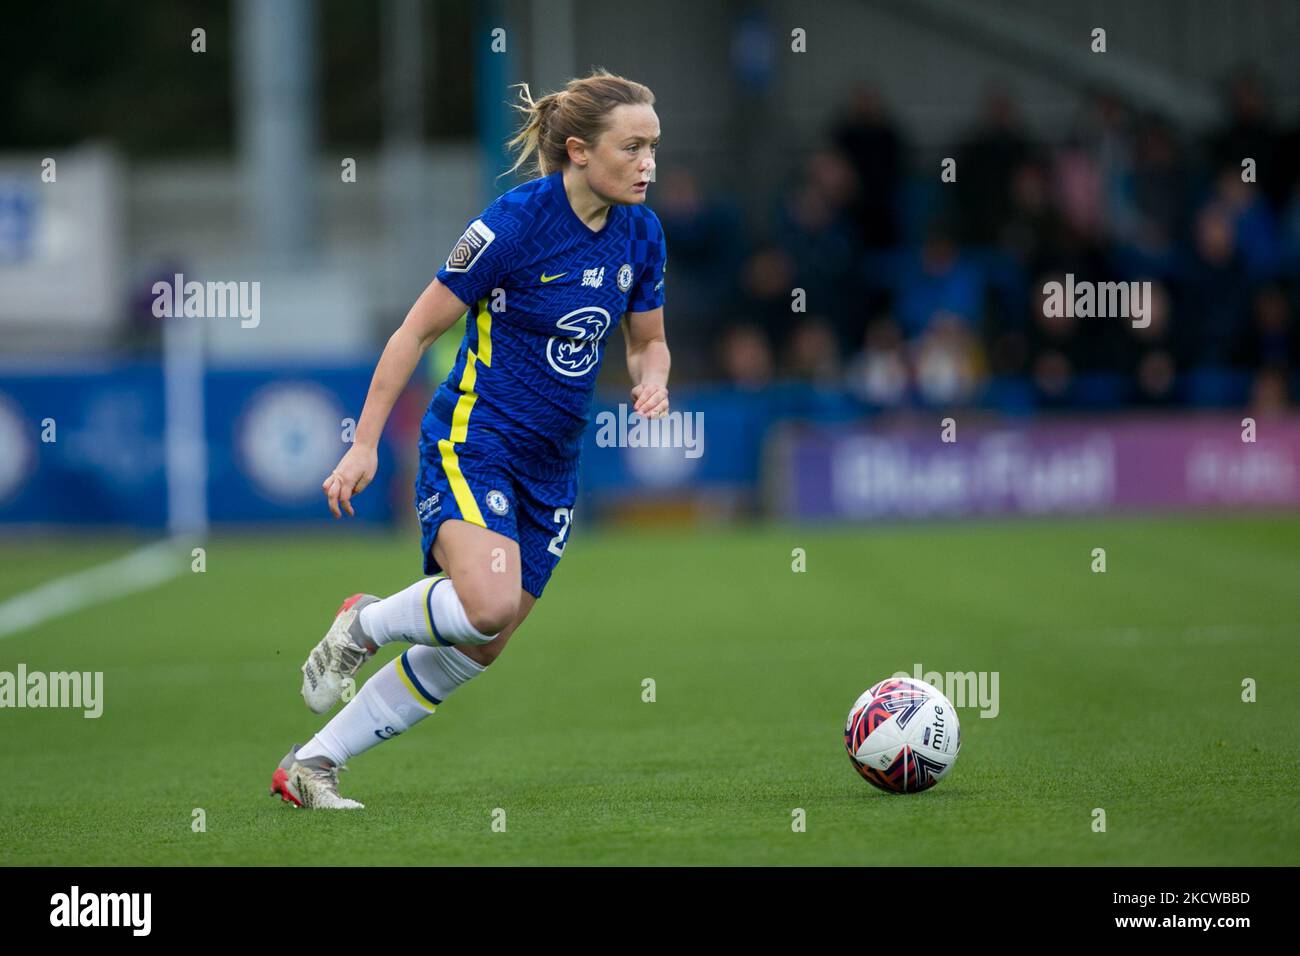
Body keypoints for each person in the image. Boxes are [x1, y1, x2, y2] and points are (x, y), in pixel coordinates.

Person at [270, 69, 670, 808]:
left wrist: (653, 376)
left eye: (653, 148)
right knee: (485, 604)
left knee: (482, 642)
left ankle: (312, 764)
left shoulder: (641, 232)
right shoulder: (511, 226)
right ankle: (363, 622)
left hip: (553, 466)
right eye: (633, 147)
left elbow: (648, 340)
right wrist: (362, 444)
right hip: (474, 439)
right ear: (579, 151)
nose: (648, 164)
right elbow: (415, 330)